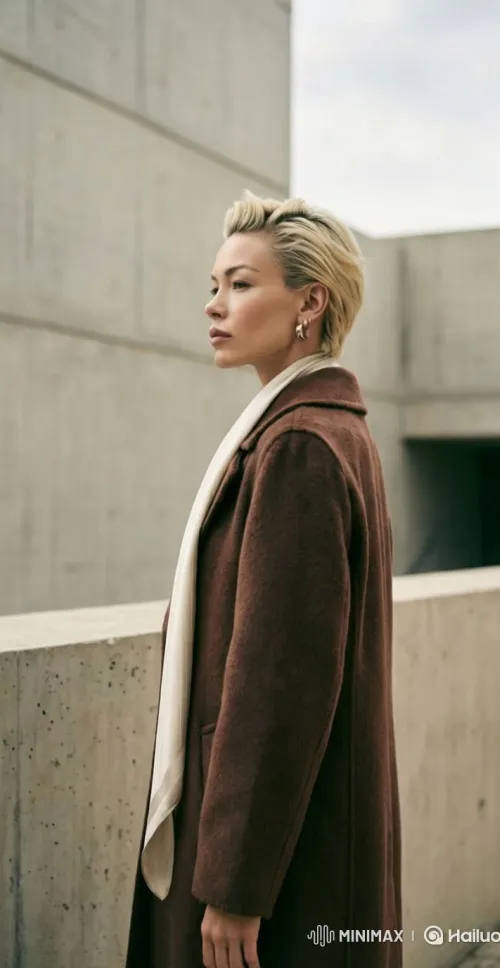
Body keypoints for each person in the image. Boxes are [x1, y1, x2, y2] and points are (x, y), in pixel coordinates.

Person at [125, 191, 402, 968]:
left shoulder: (298, 448)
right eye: (214, 285)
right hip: (301, 837)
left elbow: (279, 681)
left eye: (241, 284)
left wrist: (237, 886)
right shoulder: (331, 431)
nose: (215, 305)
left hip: (275, 869)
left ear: (309, 301)